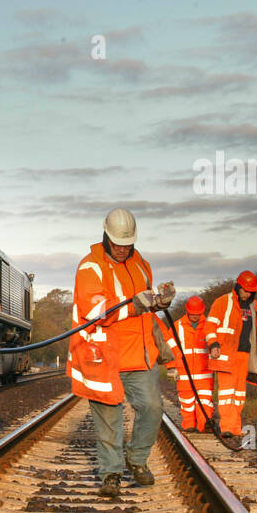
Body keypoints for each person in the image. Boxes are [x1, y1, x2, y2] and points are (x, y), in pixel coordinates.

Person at [68, 208, 175, 497]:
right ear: (105, 235)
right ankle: (111, 474)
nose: (121, 249)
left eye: (127, 244)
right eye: (117, 243)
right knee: (109, 420)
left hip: (140, 356)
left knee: (153, 409)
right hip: (105, 357)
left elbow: (146, 307)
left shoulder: (142, 265)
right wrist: (136, 305)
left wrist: (158, 300)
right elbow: (94, 310)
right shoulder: (90, 266)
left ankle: (136, 460)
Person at [205, 271, 257, 438]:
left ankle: (236, 427)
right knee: (226, 393)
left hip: (244, 356)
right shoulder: (223, 302)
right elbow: (210, 326)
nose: (247, 294)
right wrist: (213, 344)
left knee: (239, 394)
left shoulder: (255, 308)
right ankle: (227, 427)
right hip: (226, 355)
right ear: (238, 287)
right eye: (244, 290)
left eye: (250, 291)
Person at [159, 296, 213, 431]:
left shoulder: (209, 325)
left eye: (198, 314)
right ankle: (189, 425)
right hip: (183, 372)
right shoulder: (177, 327)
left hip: (204, 372)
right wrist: (171, 367)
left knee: (205, 401)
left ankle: (204, 425)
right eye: (193, 314)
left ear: (202, 312)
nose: (195, 317)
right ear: (188, 311)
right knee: (187, 401)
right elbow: (169, 347)